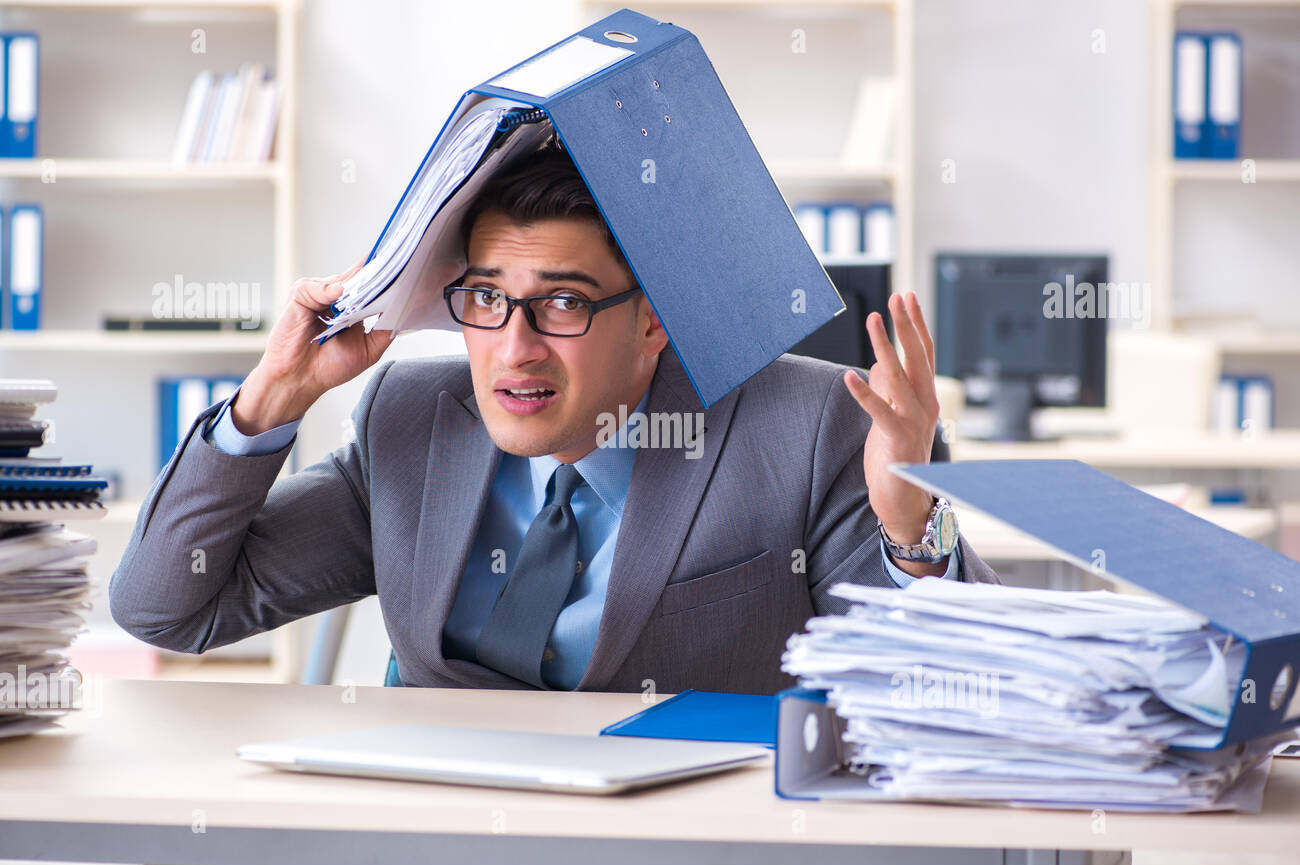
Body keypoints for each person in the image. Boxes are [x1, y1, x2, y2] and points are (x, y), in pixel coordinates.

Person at [109, 141, 999, 694]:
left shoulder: (805, 425)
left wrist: (908, 526)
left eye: (563, 304)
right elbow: (165, 609)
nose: (515, 346)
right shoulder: (411, 418)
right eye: (487, 298)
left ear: (654, 319)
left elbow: (955, 686)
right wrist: (268, 401)